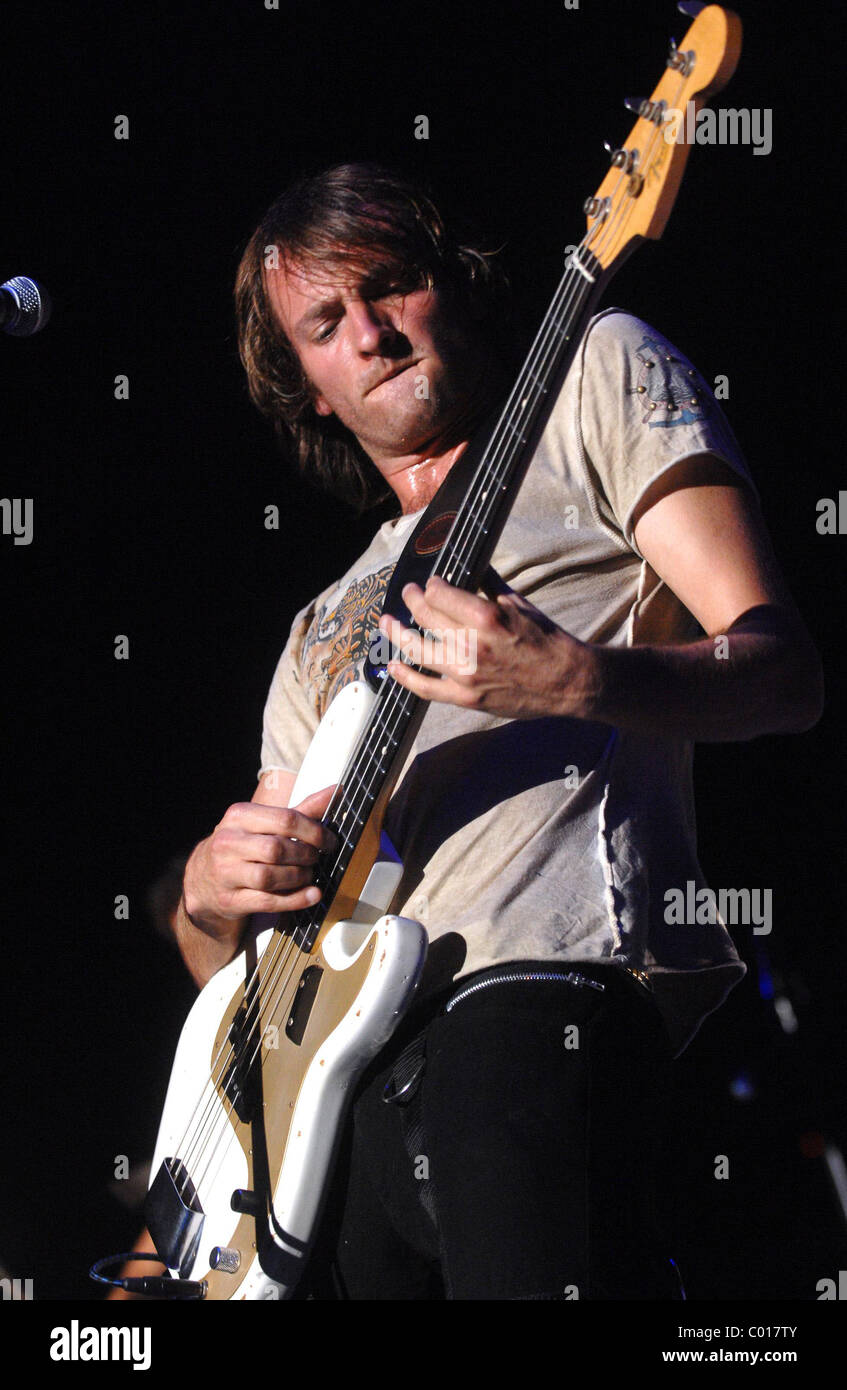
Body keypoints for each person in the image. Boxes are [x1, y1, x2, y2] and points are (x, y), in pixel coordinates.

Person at [174, 163, 823, 1299]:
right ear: (308, 385)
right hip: (350, 1072)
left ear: (452, 283)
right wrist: (206, 890)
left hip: (541, 979)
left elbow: (782, 673)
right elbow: (233, 972)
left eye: (389, 286)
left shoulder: (594, 375)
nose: (370, 334)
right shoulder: (316, 622)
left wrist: (578, 679)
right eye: (326, 323)